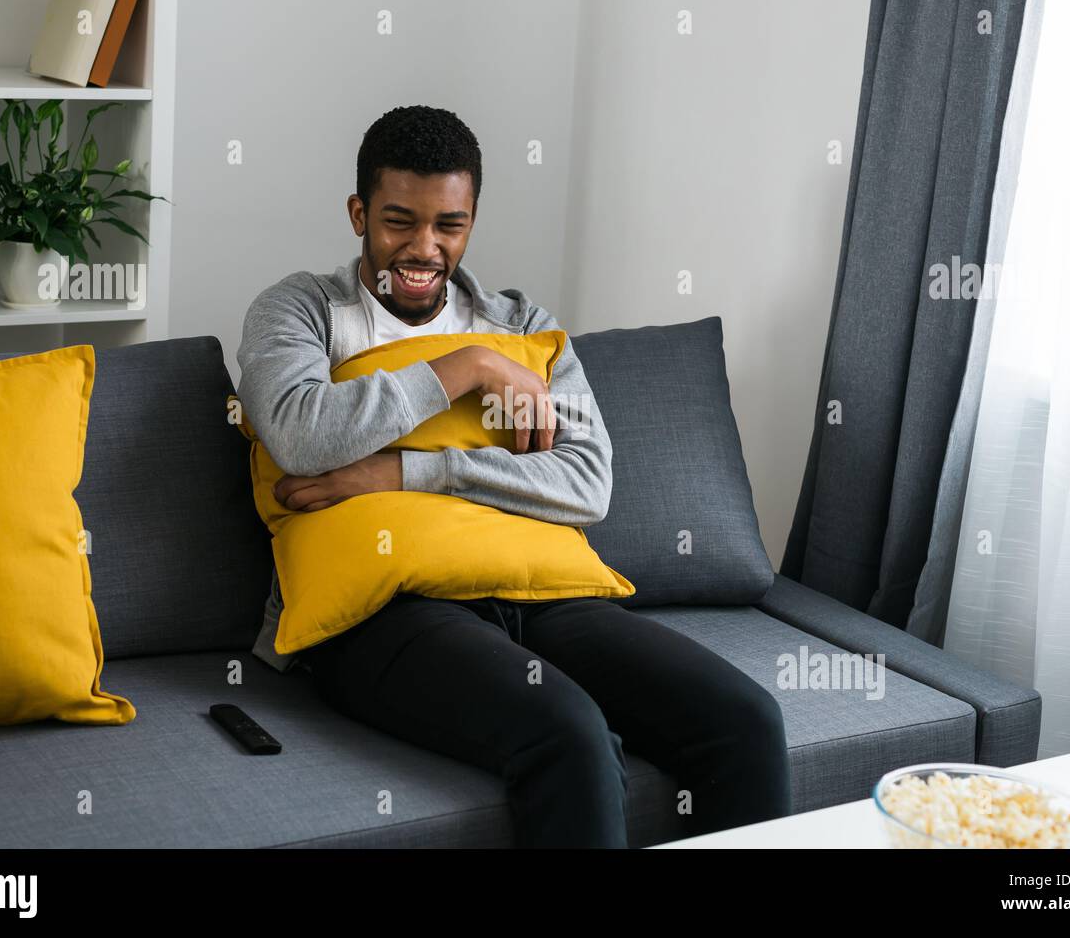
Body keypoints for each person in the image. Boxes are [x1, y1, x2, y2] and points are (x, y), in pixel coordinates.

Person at [235, 105, 791, 847]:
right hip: (384, 610)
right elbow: (304, 435)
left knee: (746, 720)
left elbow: (586, 482)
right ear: (358, 212)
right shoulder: (300, 311)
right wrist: (466, 368)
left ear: (472, 220)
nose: (424, 248)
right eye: (399, 221)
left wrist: (405, 471)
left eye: (449, 226)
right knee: (569, 734)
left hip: (540, 591)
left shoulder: (524, 328)